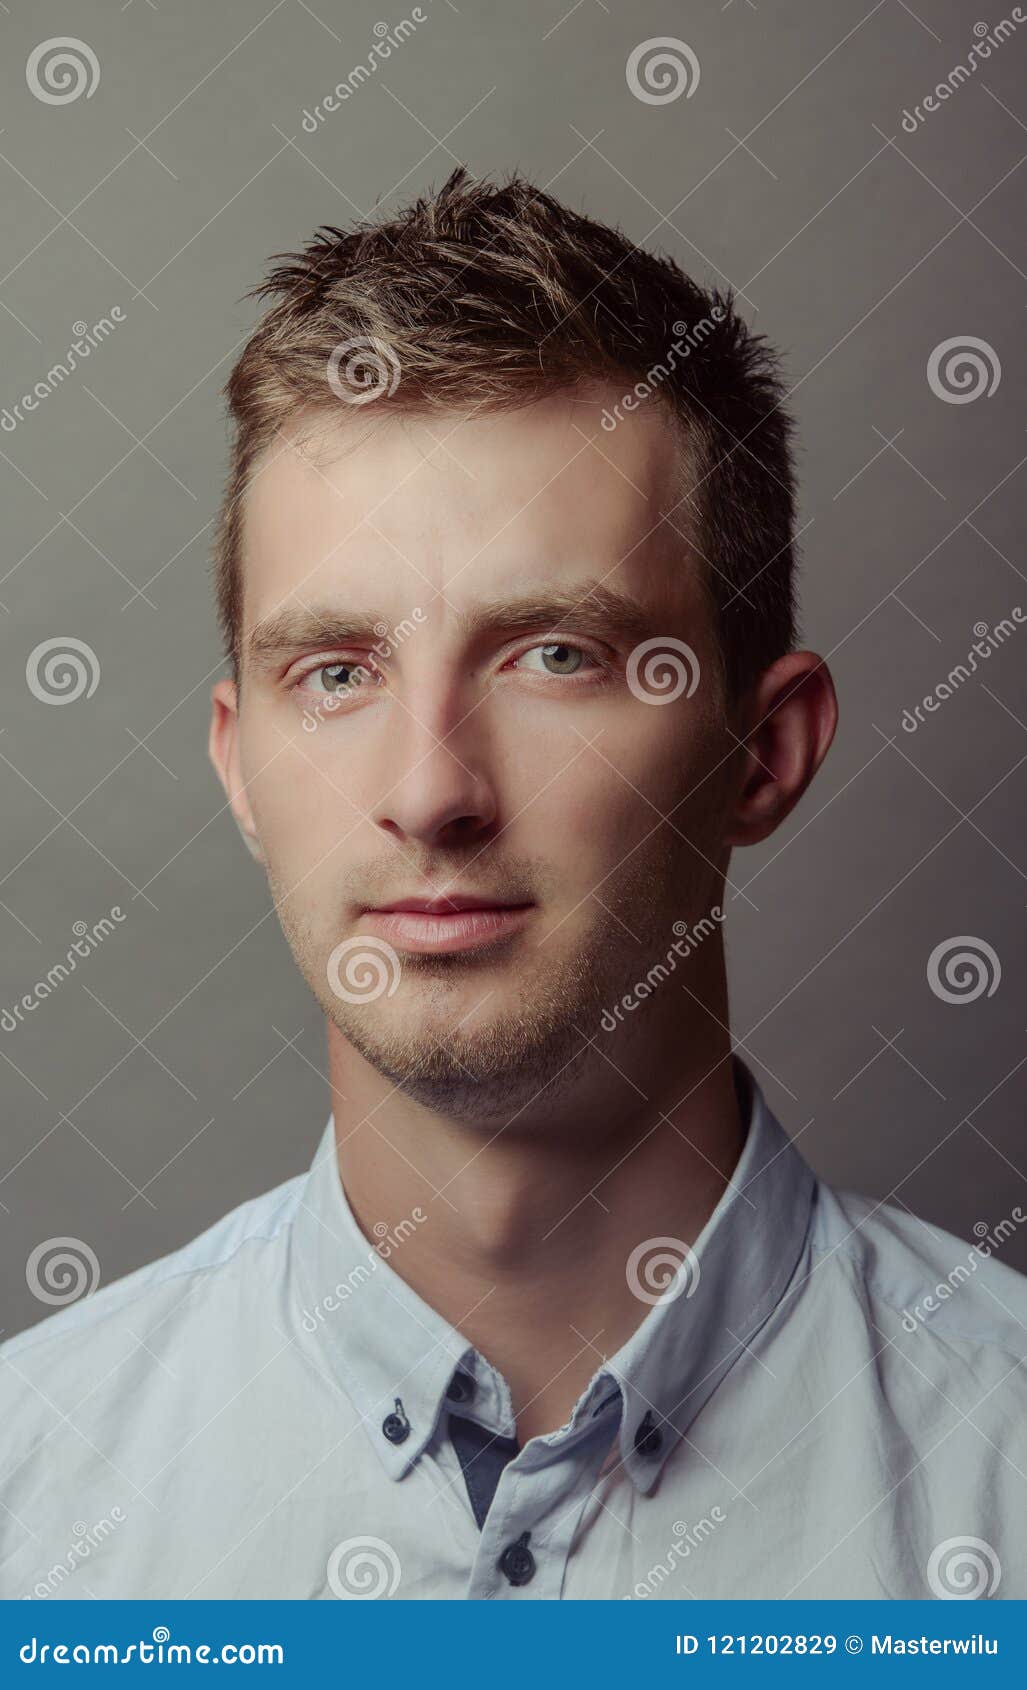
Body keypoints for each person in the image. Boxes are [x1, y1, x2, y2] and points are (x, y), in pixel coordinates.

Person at [1, 168, 1023, 1603]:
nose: (431, 790)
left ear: (763, 750)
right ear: (240, 765)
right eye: (338, 671)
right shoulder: (30, 1509)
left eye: (556, 654)